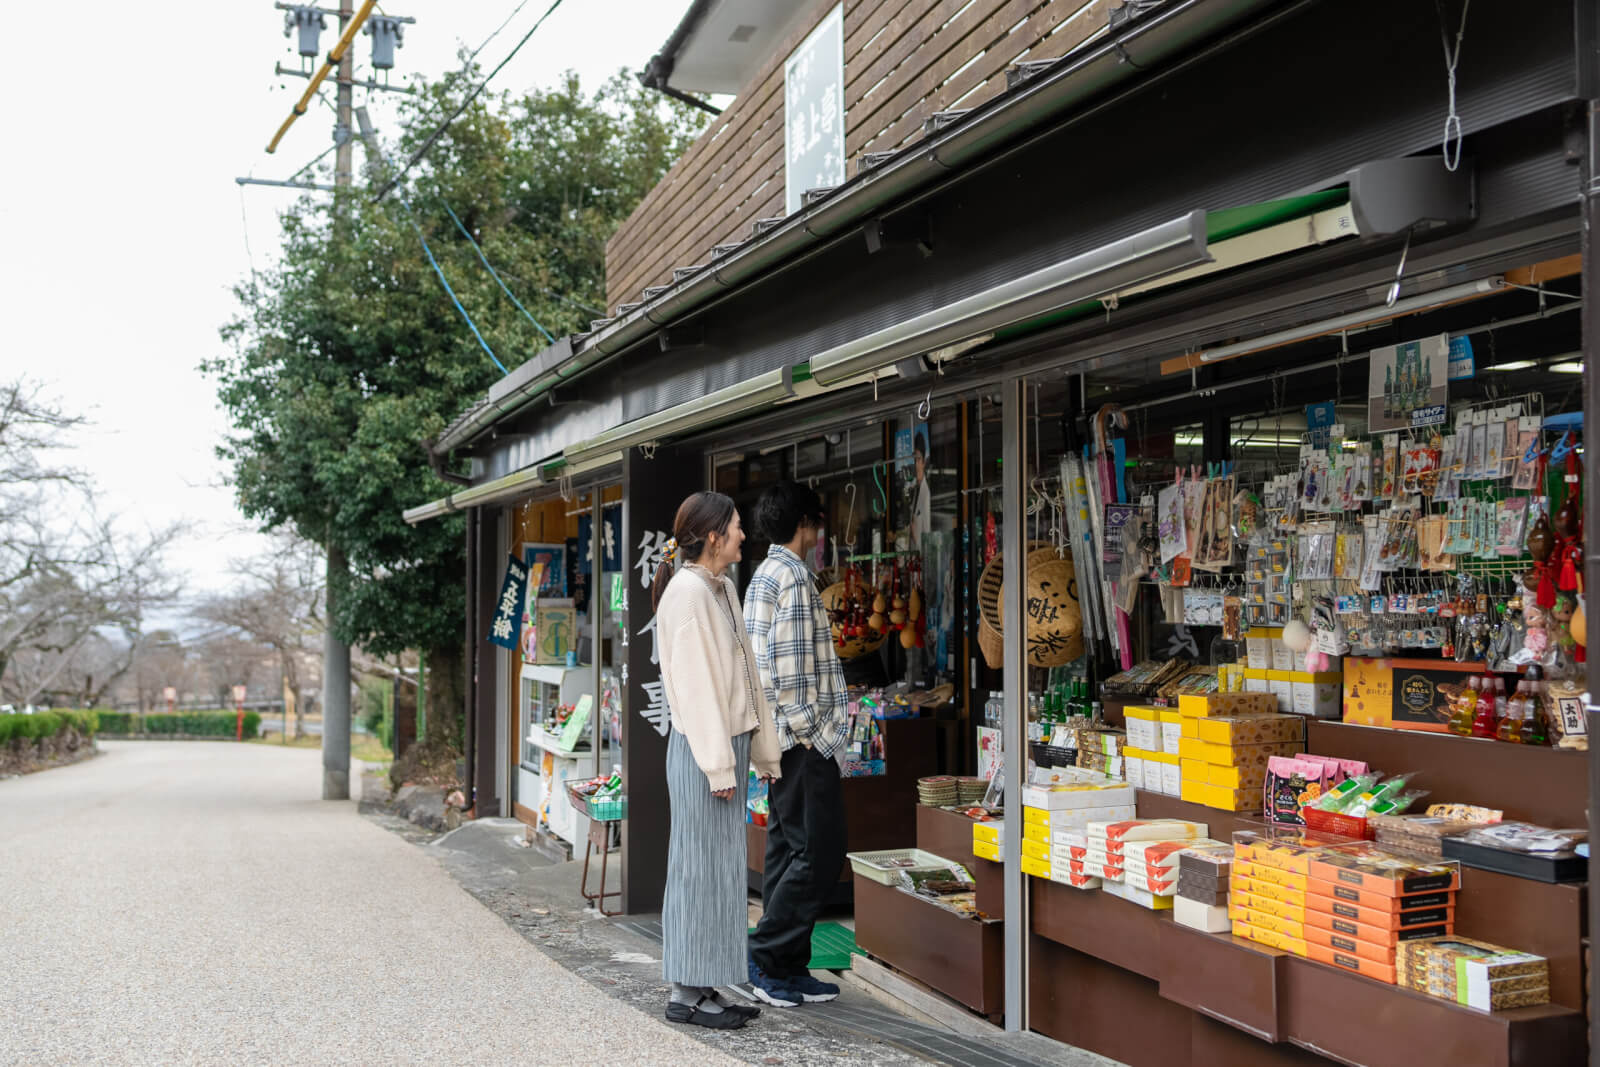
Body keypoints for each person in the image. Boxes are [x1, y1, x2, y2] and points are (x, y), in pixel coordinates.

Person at [652, 491, 783, 1030]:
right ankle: (685, 994)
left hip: (721, 747)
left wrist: (760, 749)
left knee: (721, 871)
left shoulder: (721, 587)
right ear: (712, 537)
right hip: (704, 750)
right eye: (735, 527)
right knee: (697, 869)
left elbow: (744, 673)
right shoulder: (688, 594)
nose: (743, 536)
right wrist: (718, 764)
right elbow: (696, 688)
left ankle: (706, 983)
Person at [743, 481, 850, 1008]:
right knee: (820, 852)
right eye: (817, 521)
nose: (819, 531)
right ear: (806, 523)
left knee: (788, 850)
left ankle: (787, 964)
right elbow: (789, 670)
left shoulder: (765, 574)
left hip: (779, 738)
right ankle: (765, 957)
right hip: (801, 740)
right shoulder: (792, 576)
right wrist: (810, 732)